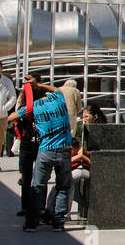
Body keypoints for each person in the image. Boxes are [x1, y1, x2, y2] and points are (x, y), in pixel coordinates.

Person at [16, 79, 74, 231]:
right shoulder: (58, 99)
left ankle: (31, 223)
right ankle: (58, 222)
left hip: (45, 150)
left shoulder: (32, 108)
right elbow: (57, 90)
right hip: (64, 149)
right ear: (44, 93)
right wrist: (39, 84)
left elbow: (12, 117)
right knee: (63, 186)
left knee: (38, 186)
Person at [12, 74, 42, 218]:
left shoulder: (30, 106)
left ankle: (27, 206)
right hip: (36, 143)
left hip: (28, 142)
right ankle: (38, 207)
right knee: (38, 178)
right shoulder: (41, 104)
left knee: (29, 177)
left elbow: (13, 116)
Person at [70, 137, 91, 221]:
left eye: (71, 149)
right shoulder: (76, 153)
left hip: (81, 171)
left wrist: (82, 155)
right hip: (80, 172)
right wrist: (80, 155)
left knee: (68, 188)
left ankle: (66, 214)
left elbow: (90, 161)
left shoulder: (81, 151)